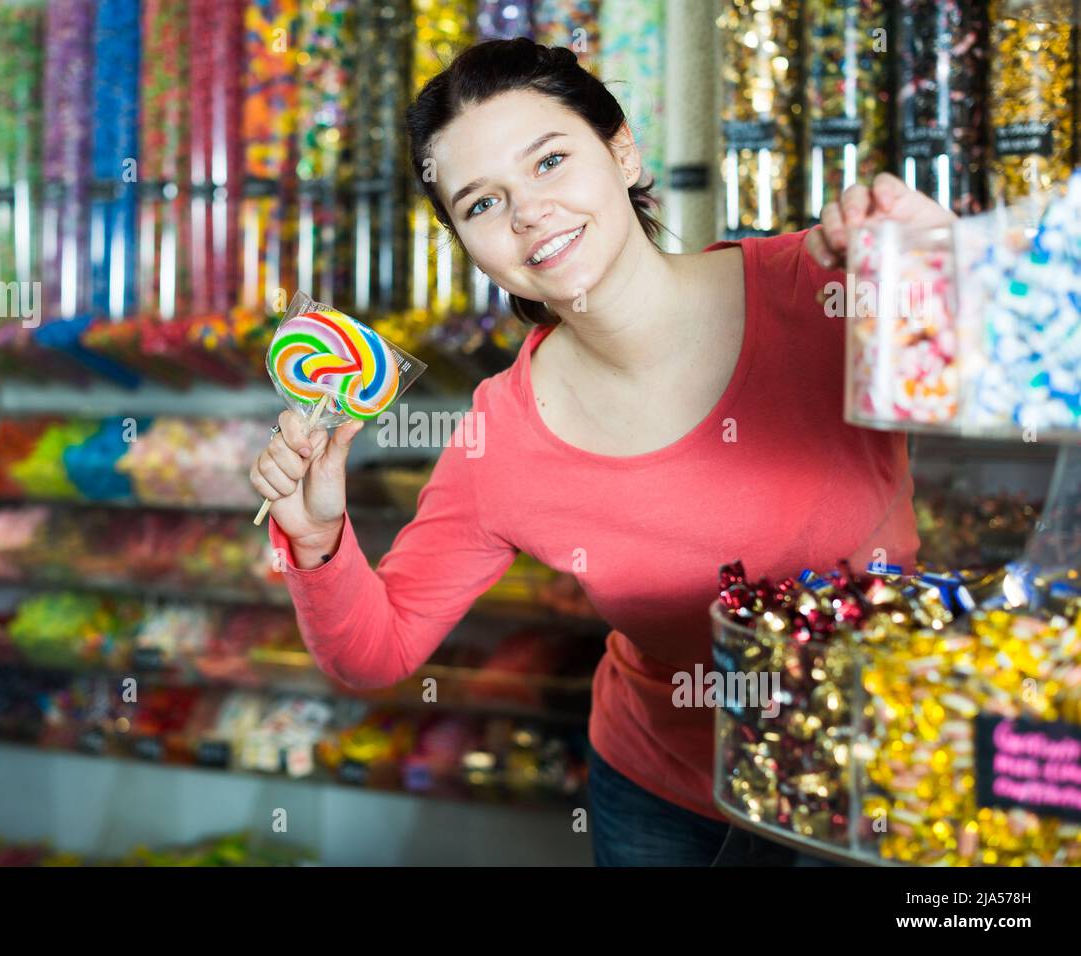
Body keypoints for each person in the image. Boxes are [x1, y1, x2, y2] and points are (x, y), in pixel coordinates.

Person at [248, 38, 953, 866]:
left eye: (550, 161)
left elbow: (1039, 380)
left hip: (879, 769)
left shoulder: (822, 289)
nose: (528, 213)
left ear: (621, 150)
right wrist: (319, 541)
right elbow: (378, 651)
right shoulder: (499, 436)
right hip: (662, 797)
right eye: (481, 204)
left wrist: (944, 270)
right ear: (467, 243)